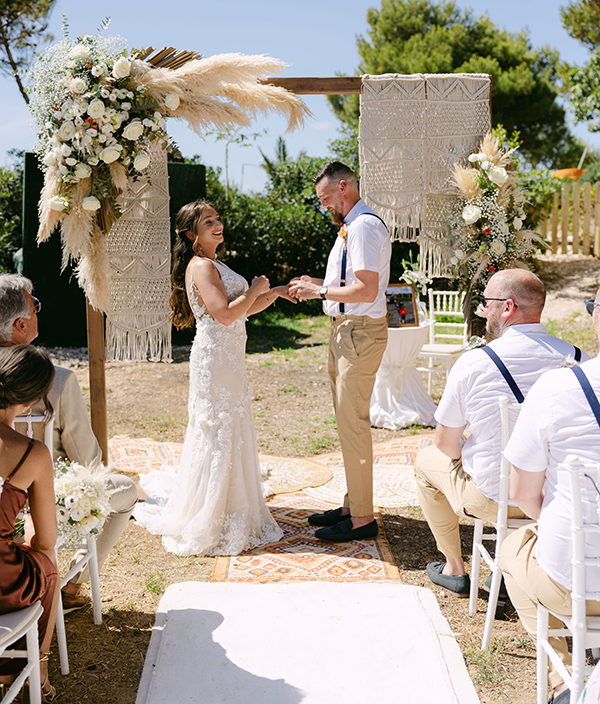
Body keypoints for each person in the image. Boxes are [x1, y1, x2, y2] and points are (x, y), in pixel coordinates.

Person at [414, 268, 588, 598]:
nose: (482, 309)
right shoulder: (580, 362)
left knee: (426, 461)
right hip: (560, 498)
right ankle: (516, 562)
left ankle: (454, 566)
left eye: (485, 302)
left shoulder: (474, 363)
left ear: (507, 307)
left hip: (495, 497)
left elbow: (447, 447)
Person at [134, 199, 294, 555]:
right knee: (218, 427)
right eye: (208, 222)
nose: (217, 225)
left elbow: (243, 310)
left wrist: (274, 293)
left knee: (232, 424)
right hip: (216, 360)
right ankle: (212, 511)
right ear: (192, 233)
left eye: (218, 219)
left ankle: (232, 505)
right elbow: (223, 315)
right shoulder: (202, 266)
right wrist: (253, 288)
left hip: (229, 359)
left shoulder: (214, 263)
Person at [0, 274, 138, 614]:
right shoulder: (57, 381)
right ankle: (70, 585)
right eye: (36, 308)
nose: (38, 314)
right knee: (126, 490)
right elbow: (87, 462)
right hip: (44, 507)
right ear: (21, 324)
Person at [499, 289, 600, 704]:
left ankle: (563, 682)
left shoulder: (561, 387)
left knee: (509, 551)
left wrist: (562, 522)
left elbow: (523, 493)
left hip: (578, 586)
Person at [289, 161, 392, 543]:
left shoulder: (363, 226)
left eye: (325, 198)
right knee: (347, 422)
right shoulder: (353, 227)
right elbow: (350, 286)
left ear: (344, 187)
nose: (324, 206)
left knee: (353, 423)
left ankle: (362, 519)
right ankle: (352, 505)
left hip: (359, 334)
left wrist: (320, 292)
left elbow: (366, 291)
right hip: (347, 331)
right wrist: (317, 283)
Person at [0, 344, 60, 702]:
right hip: (2, 582)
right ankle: (36, 670)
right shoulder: (32, 454)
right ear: (29, 401)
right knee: (47, 567)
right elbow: (45, 539)